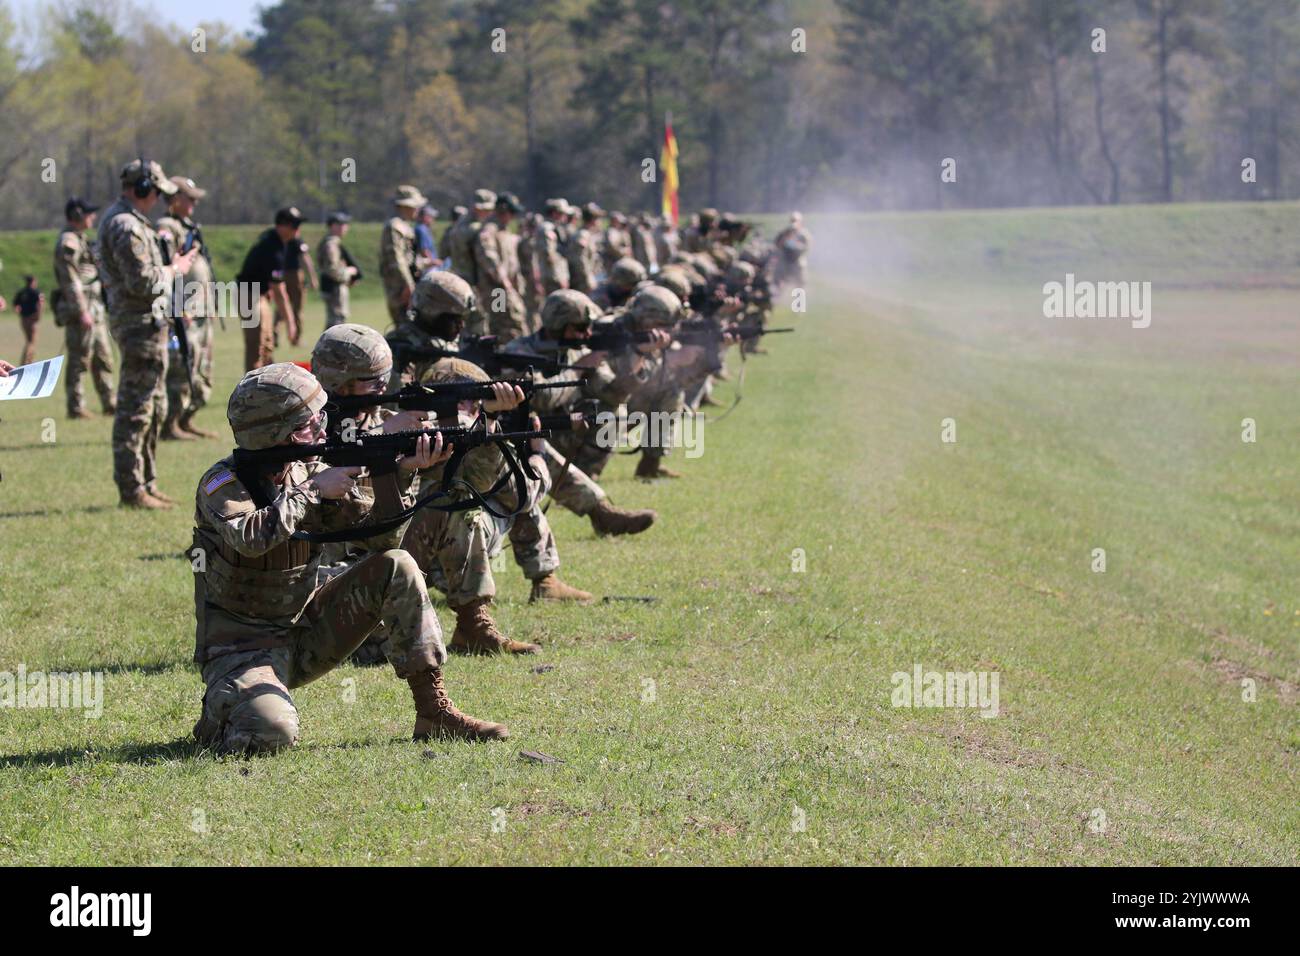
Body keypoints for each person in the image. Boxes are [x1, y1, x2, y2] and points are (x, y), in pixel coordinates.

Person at [191, 362, 508, 753]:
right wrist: (312, 491)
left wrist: (399, 471)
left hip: (306, 628)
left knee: (398, 564)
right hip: (240, 647)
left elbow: (381, 539)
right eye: (308, 423)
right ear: (274, 432)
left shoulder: (304, 470)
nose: (323, 429)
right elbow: (250, 538)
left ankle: (433, 710)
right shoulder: (222, 483)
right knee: (271, 732)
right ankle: (221, 712)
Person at [98, 157, 198, 510]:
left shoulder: (133, 222)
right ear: (142, 188)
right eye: (155, 191)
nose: (157, 199)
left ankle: (146, 481)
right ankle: (131, 488)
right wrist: (175, 269)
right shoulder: (125, 226)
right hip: (138, 328)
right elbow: (141, 281)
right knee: (136, 411)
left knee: (153, 408)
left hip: (149, 326)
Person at [156, 175, 218, 439]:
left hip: (201, 311)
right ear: (174, 198)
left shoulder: (188, 225)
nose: (193, 203)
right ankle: (171, 424)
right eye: (189, 198)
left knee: (202, 370)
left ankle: (186, 419)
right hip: (184, 312)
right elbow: (166, 265)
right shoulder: (167, 227)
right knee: (183, 368)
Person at [53, 197, 115, 419]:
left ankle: (110, 401)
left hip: (95, 309)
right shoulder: (67, 243)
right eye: (88, 213)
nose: (93, 217)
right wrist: (82, 312)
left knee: (103, 357)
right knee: (80, 360)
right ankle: (76, 406)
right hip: (83, 312)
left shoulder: (82, 240)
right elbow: (70, 281)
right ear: (77, 215)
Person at [235, 206, 302, 371]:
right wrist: (291, 323)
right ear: (281, 226)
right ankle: (250, 389)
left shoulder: (277, 242)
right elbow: (280, 292)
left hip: (259, 294)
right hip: (248, 295)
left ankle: (266, 385)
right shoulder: (272, 248)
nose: (297, 229)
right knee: (257, 346)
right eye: (294, 225)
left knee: (267, 345)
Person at [472, 192, 528, 343]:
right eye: (511, 212)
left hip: (506, 286)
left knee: (509, 321)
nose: (513, 217)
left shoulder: (505, 231)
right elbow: (487, 255)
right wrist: (502, 279)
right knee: (505, 320)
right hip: (497, 289)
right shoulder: (490, 229)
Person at [380, 185, 426, 325]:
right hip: (400, 287)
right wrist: (408, 284)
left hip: (409, 282)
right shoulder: (394, 227)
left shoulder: (405, 226)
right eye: (415, 206)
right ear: (406, 206)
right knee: (406, 327)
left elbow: (408, 258)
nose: (418, 209)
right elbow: (396, 259)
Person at [317, 212, 359, 329]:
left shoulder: (330, 242)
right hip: (334, 288)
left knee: (336, 321)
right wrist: (349, 272)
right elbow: (332, 269)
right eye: (341, 224)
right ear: (332, 226)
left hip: (333, 287)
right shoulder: (331, 244)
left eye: (345, 224)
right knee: (337, 323)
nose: (345, 227)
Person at [279, 226, 317, 346]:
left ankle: (274, 335)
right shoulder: (297, 241)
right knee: (297, 308)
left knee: (281, 306)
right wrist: (312, 278)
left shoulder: (280, 241)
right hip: (295, 276)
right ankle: (296, 339)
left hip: (280, 275)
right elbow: (305, 259)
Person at [773, 211, 812, 289]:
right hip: (785, 259)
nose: (794, 222)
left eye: (796, 220)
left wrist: (797, 246)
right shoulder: (785, 232)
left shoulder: (804, 234)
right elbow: (777, 244)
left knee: (800, 281)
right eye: (792, 220)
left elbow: (807, 247)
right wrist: (786, 238)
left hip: (797, 260)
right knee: (779, 275)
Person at [13, 275, 43, 367]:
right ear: (33, 282)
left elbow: (16, 305)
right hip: (32, 319)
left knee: (29, 340)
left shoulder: (22, 292)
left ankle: (28, 361)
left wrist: (20, 314)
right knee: (31, 341)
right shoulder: (35, 292)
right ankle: (27, 362)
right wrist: (38, 316)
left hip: (23, 319)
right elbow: (40, 304)